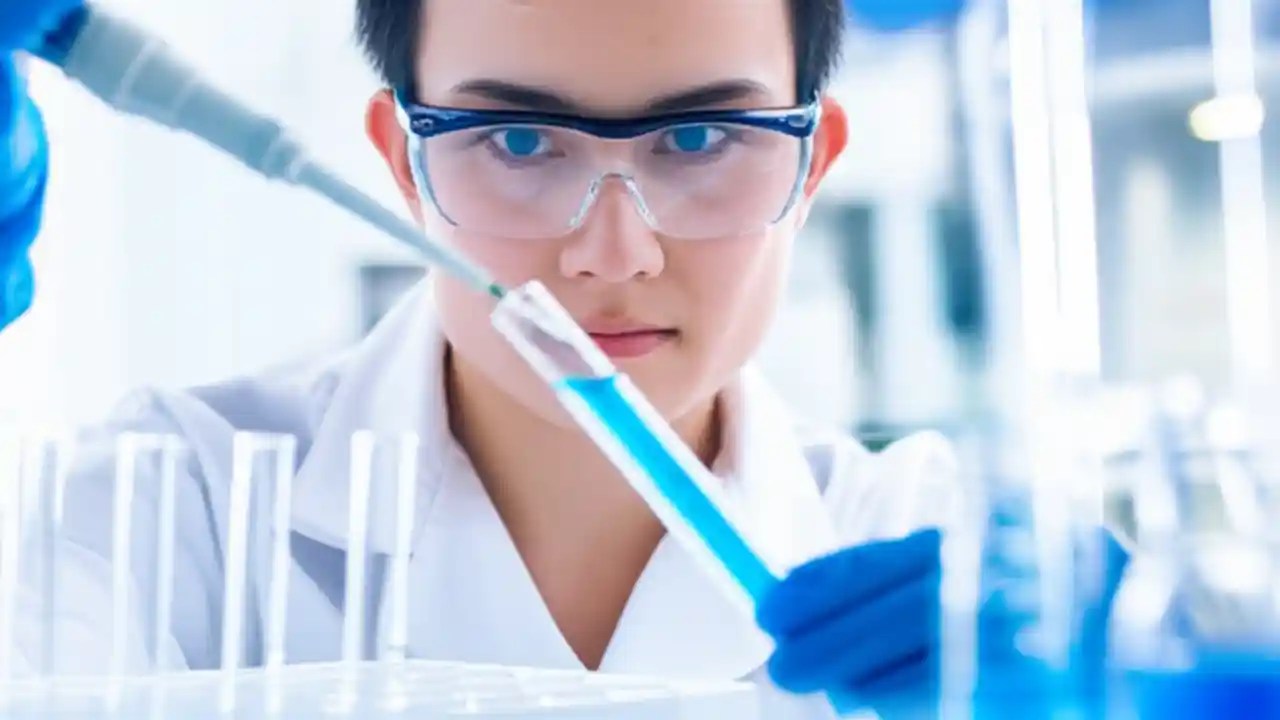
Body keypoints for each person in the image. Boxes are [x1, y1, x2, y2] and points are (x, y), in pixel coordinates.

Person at [6, 1, 964, 717]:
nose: (614, 252)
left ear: (814, 163)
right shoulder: (173, 510)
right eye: (516, 141)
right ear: (401, 163)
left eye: (701, 137)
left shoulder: (924, 552)